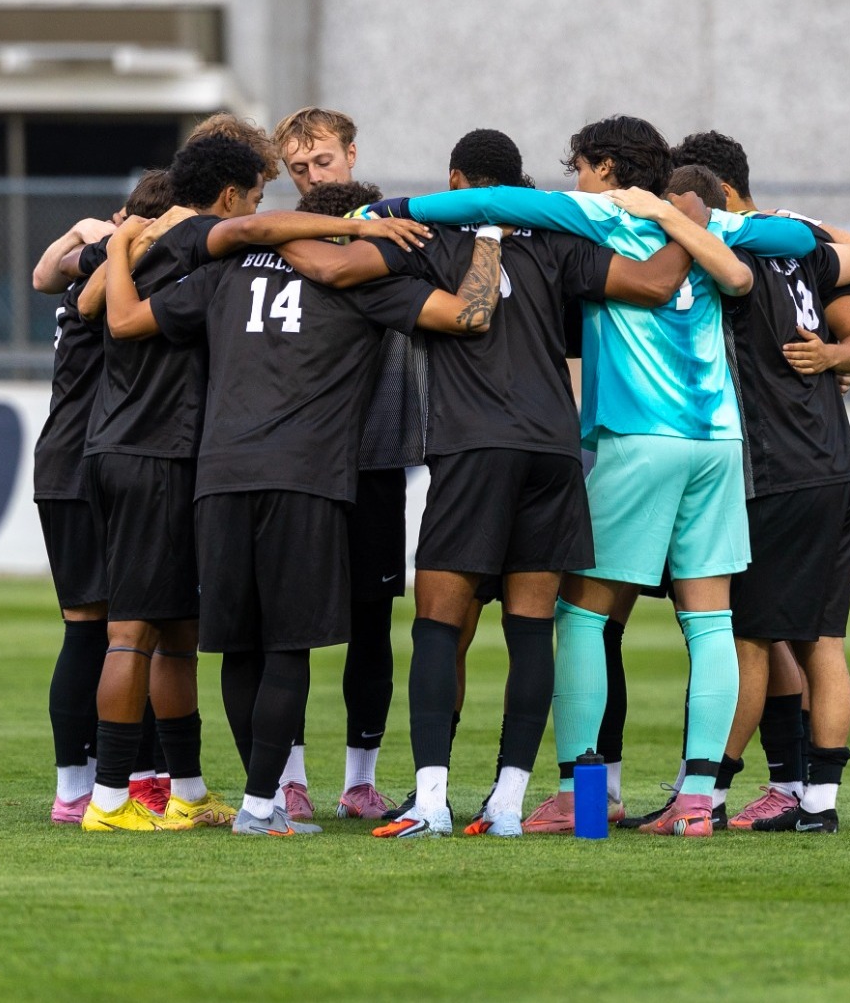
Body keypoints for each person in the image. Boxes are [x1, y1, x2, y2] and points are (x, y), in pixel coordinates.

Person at [398, 115, 832, 837]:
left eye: (580, 167)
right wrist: (698, 214)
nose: (573, 181)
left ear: (602, 167)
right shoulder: (707, 227)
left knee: (582, 616)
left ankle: (586, 801)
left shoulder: (599, 215)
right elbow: (803, 240)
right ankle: (699, 803)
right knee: (710, 619)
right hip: (719, 440)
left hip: (641, 437)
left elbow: (488, 204)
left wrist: (385, 211)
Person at [285, 129, 710, 838]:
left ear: (456, 181)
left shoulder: (423, 240)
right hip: (553, 449)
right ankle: (509, 803)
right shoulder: (553, 243)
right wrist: (688, 223)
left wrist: (253, 232)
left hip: (472, 448)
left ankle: (430, 800)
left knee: (437, 627)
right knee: (531, 629)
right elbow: (658, 283)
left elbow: (335, 269)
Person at [102, 172, 500, 838]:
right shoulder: (358, 280)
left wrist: (116, 252)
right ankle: (261, 806)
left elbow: (125, 321)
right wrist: (489, 235)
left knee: (236, 646)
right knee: (289, 645)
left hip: (219, 476)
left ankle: (265, 800)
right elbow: (467, 314)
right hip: (308, 478)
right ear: (347, 230)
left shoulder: (224, 273)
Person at [662, 131, 850, 834]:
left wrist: (829, 356)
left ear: (718, 197)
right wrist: (830, 356)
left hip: (775, 469)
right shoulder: (805, 249)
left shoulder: (730, 256)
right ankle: (810, 798)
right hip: (835, 464)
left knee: (747, 638)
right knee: (820, 638)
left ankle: (708, 789)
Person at [267, 105, 414, 822]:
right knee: (286, 622)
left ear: (351, 156)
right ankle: (289, 775)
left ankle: (361, 776)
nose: (310, 175)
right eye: (297, 168)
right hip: (298, 457)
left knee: (371, 620)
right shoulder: (280, 238)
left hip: (376, 451)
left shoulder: (397, 227)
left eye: (320, 162)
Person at [27, 203, 121, 825]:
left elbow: (42, 274)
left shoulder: (78, 279)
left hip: (59, 462)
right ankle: (110, 784)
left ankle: (76, 786)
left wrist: (88, 229)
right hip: (94, 464)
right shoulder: (117, 281)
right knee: (117, 632)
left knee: (90, 630)